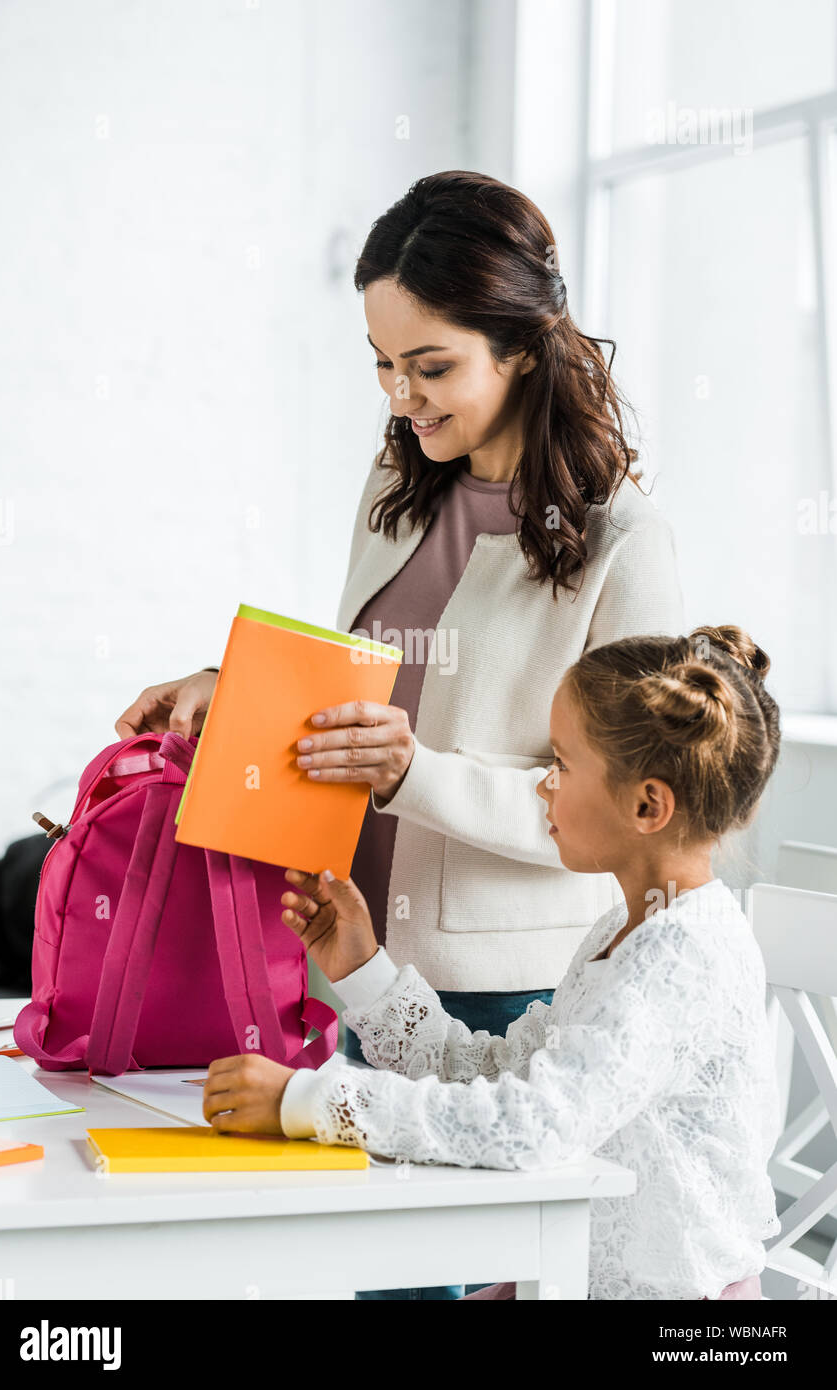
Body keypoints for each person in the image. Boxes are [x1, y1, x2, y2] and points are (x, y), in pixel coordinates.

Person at [116, 170, 685, 1296]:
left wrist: (416, 773)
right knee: (369, 1280)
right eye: (382, 362)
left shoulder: (626, 542)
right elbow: (363, 692)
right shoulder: (403, 477)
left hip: (503, 994)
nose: (401, 396)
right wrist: (228, 685)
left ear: (521, 346)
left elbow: (630, 812)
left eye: (432, 367)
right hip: (366, 964)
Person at [201, 624, 784, 1301]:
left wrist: (307, 1101)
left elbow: (533, 1123)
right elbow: (495, 1073)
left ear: (646, 805)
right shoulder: (623, 931)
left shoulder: (682, 956)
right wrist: (364, 968)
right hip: (574, 1278)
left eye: (559, 766)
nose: (542, 789)